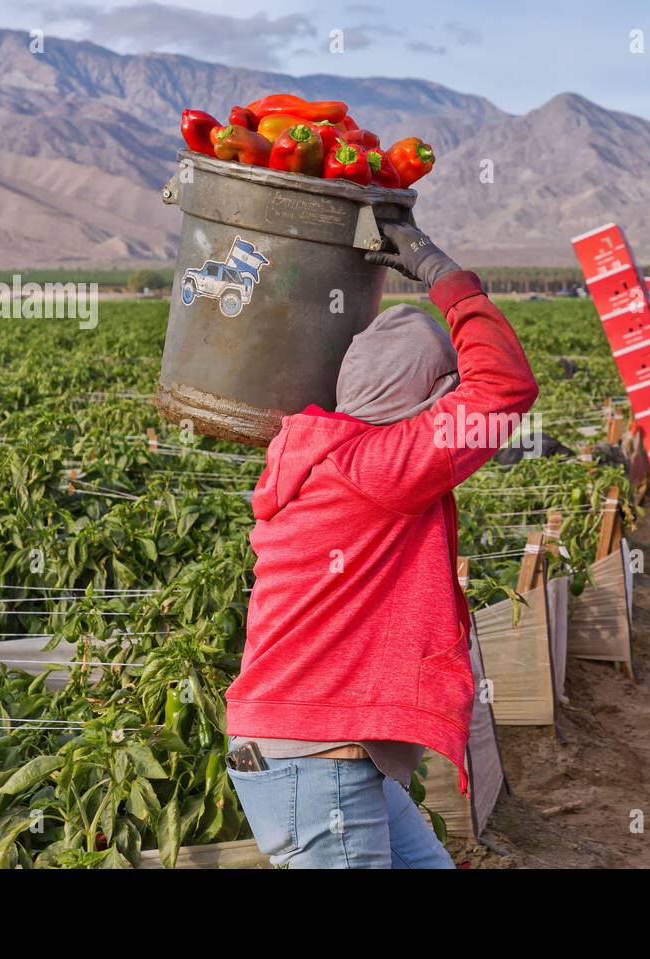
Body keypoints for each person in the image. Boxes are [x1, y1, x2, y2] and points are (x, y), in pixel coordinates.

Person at [223, 217, 538, 868]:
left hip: (318, 751)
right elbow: (504, 389)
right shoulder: (382, 469)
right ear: (426, 403)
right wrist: (444, 275)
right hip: (319, 763)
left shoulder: (315, 452)